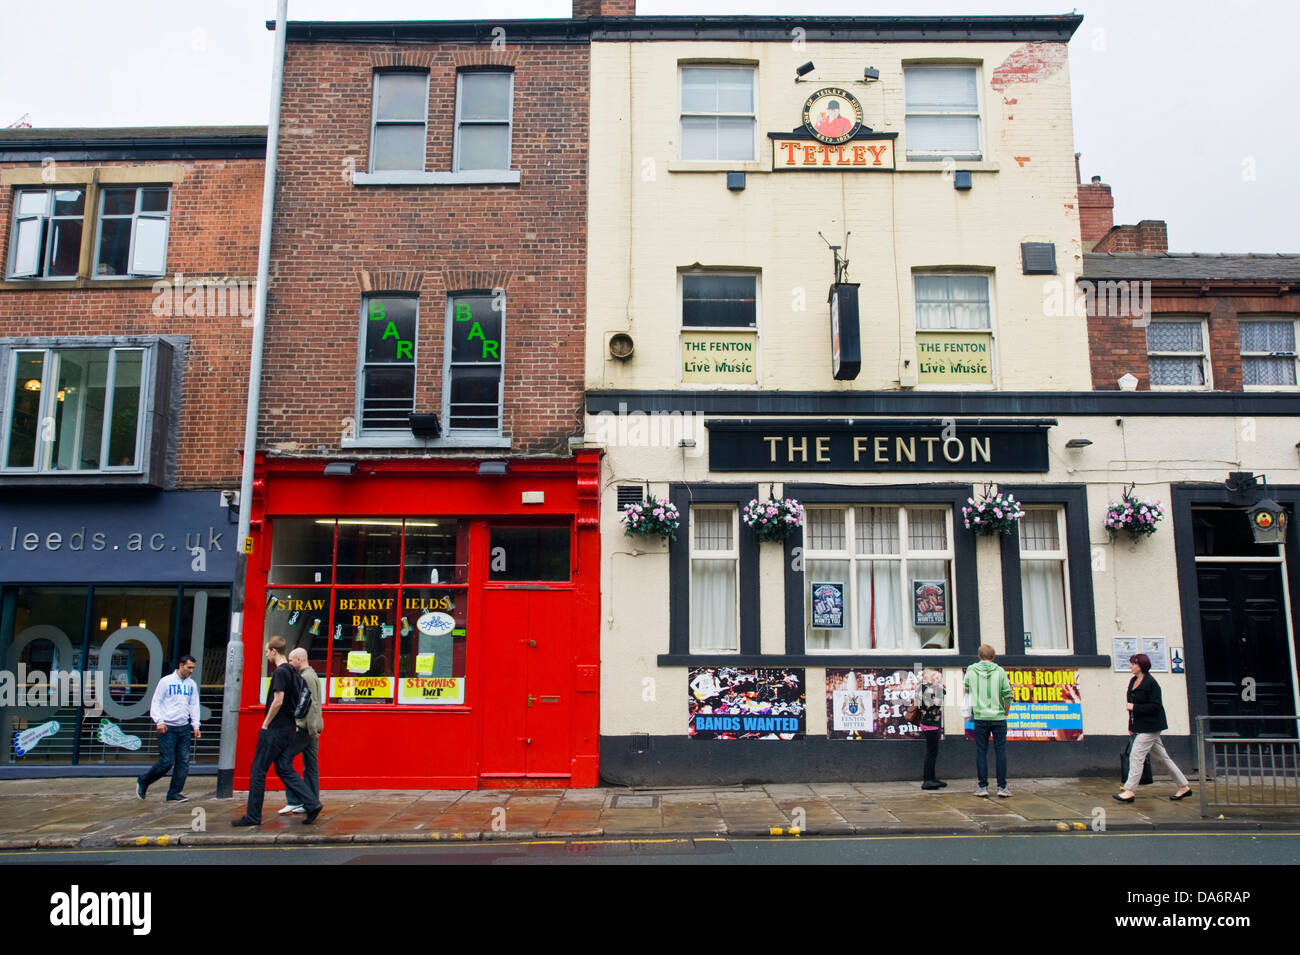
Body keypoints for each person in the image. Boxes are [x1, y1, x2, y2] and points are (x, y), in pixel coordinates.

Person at [232, 637, 322, 826]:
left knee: (258, 771)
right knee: (284, 768)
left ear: (274, 651)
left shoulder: (281, 672)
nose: (266, 655)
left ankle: (253, 816)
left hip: (275, 729)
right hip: (289, 728)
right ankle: (312, 803)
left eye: (267, 652)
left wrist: (265, 724)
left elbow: (278, 700)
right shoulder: (294, 673)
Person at [1116, 653, 1192, 802]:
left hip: (1152, 726)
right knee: (1164, 758)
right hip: (1140, 726)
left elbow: (1156, 706)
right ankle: (1184, 787)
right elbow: (1130, 708)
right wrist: (1131, 726)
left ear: (1141, 666)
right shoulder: (1133, 681)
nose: (1130, 666)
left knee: (1136, 755)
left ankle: (1130, 790)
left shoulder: (1151, 683)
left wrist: (1135, 707)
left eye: (1133, 664)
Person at [137, 654, 201, 802]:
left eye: (193, 668)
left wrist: (195, 725)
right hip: (167, 727)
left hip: (183, 727)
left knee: (183, 762)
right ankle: (144, 780)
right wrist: (159, 721)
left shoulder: (191, 685)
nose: (191, 671)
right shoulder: (165, 682)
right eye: (189, 667)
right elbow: (156, 702)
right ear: (181, 665)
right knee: (167, 761)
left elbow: (194, 705)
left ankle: (174, 793)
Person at [280, 647, 323, 815]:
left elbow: (312, 704)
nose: (290, 663)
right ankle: (311, 801)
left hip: (305, 728)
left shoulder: (306, 677)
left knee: (284, 760)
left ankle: (294, 800)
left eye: (291, 660)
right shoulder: (310, 675)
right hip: (312, 727)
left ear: (299, 659)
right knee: (311, 766)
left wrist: (312, 729)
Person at [965, 644, 1012, 797]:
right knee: (1000, 751)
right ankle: (1002, 788)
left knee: (981, 751)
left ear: (979, 656)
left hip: (980, 717)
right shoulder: (1000, 671)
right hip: (998, 717)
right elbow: (1007, 694)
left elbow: (966, 688)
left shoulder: (971, 670)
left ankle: (983, 787)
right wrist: (1005, 711)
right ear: (994, 656)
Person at [917, 668, 947, 790]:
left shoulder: (922, 687)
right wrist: (941, 690)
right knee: (931, 752)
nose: (939, 680)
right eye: (937, 677)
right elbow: (935, 705)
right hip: (930, 724)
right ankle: (928, 780)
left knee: (933, 752)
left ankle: (932, 777)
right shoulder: (928, 689)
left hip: (928, 723)